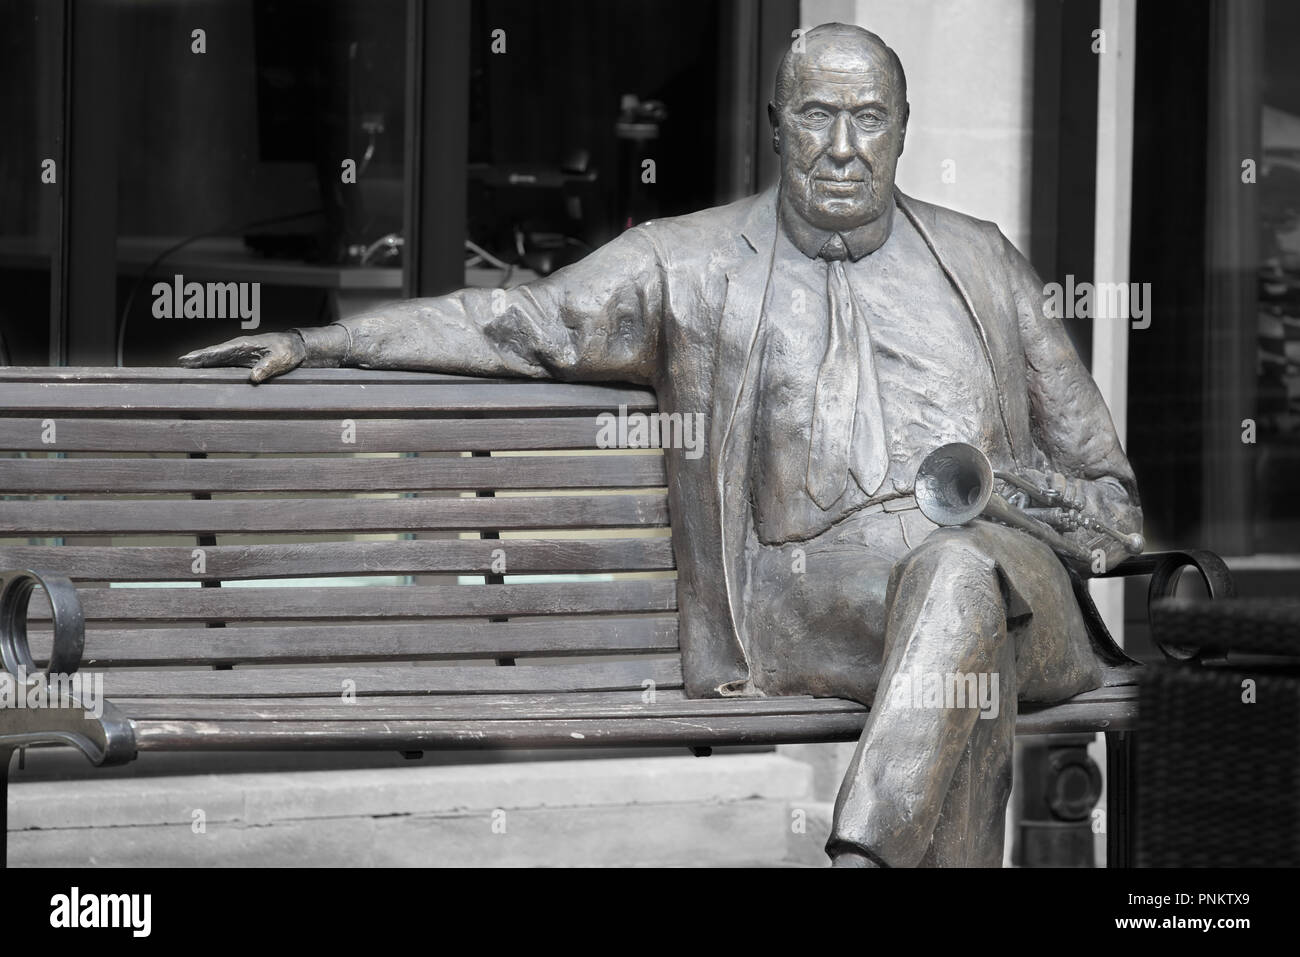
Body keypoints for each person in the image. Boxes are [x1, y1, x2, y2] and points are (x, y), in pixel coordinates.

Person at [181, 22, 1141, 867]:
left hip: (1021, 604)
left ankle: (862, 856)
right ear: (773, 126)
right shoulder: (683, 263)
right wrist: (327, 340)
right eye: (816, 116)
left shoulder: (981, 259)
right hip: (812, 613)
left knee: (962, 575)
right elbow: (521, 323)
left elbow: (1114, 505)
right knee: (954, 608)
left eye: (869, 119)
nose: (843, 149)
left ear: (903, 127)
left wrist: (1038, 505)